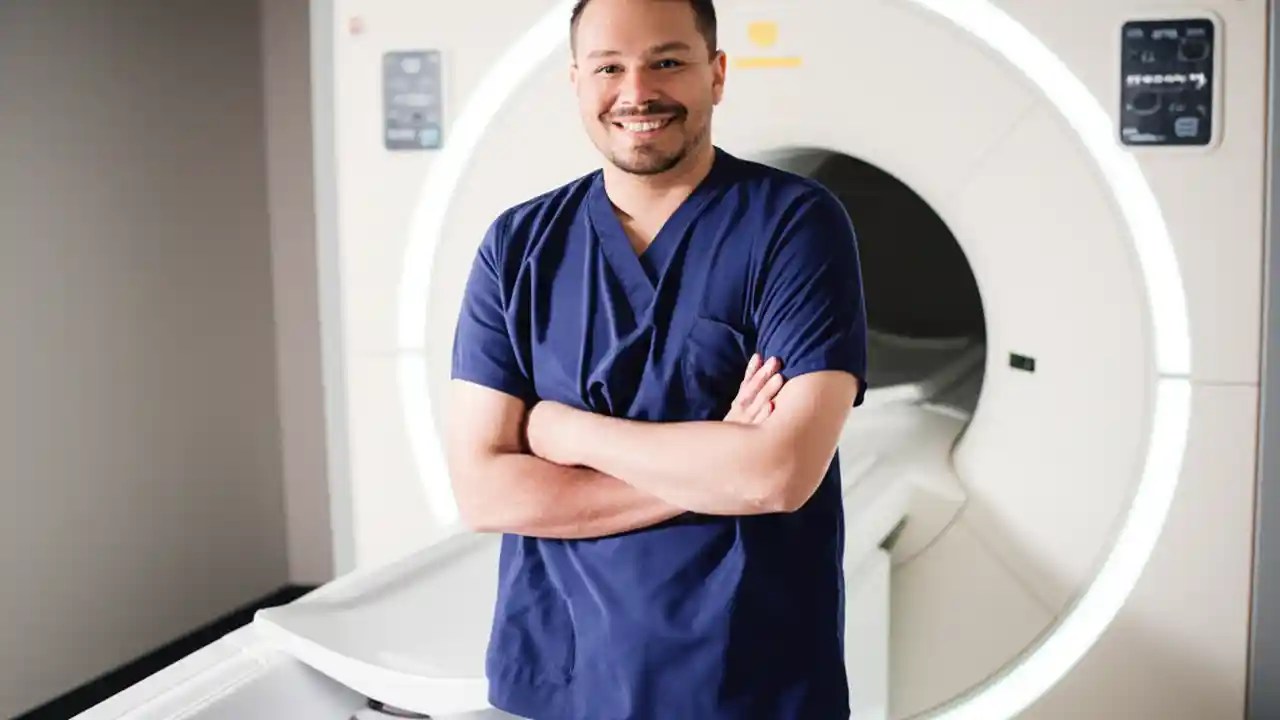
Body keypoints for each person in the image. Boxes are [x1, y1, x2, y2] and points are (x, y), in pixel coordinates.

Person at [445, 0, 868, 717]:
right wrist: (715, 464)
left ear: (717, 74)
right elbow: (485, 493)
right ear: (577, 82)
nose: (637, 92)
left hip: (747, 677)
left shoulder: (795, 224)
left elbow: (778, 474)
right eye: (609, 67)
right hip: (566, 672)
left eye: (667, 62)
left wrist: (567, 432)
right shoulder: (516, 247)